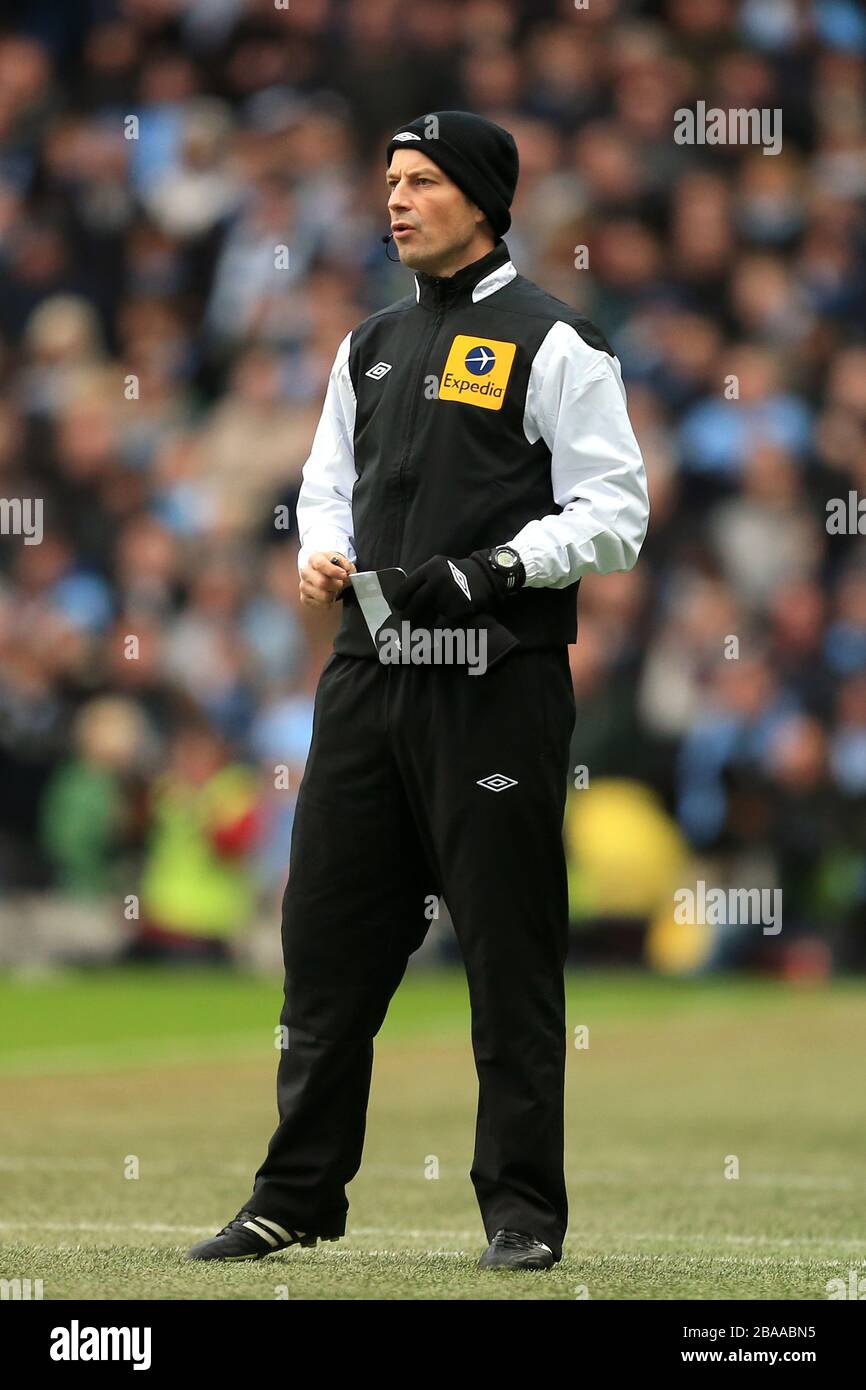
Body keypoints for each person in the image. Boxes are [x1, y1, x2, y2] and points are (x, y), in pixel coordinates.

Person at [187, 110, 649, 1271]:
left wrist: (496, 567)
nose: (395, 199)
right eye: (389, 180)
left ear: (484, 199)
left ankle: (521, 1216)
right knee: (323, 945)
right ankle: (295, 1194)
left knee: (505, 948)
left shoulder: (556, 342)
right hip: (364, 680)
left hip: (492, 684)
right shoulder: (368, 343)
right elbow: (323, 483)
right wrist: (316, 548)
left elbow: (614, 515)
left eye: (422, 181)